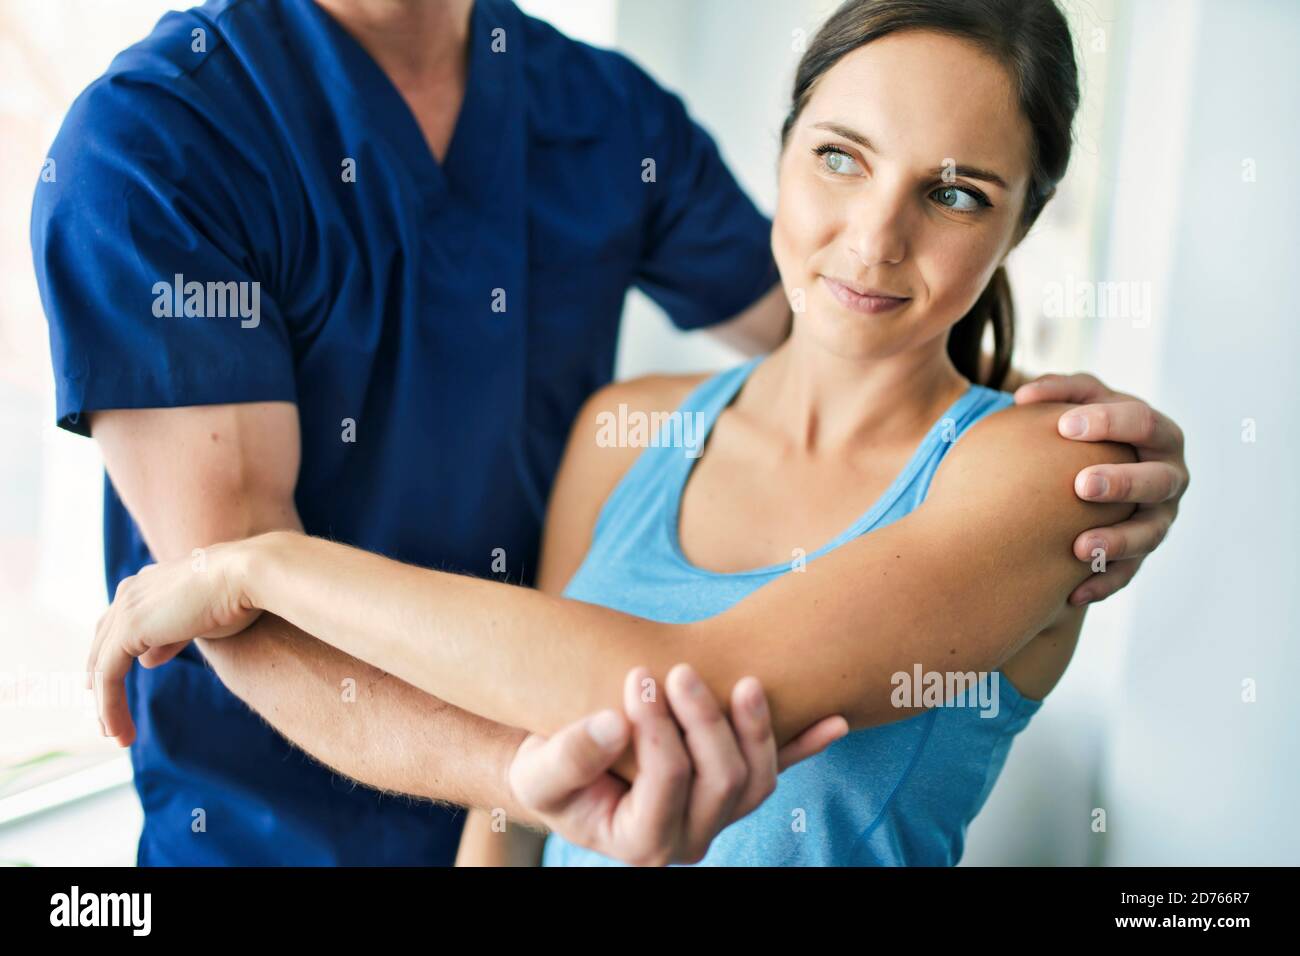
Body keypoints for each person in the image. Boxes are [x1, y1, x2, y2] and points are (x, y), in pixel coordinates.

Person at [86, 0, 1190, 867]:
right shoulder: (163, 141)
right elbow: (500, 821)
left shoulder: (602, 115)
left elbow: (852, 335)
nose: (875, 231)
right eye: (839, 157)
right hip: (265, 830)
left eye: (956, 193)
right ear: (786, 150)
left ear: (1021, 222)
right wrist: (525, 782)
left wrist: (1056, 450)